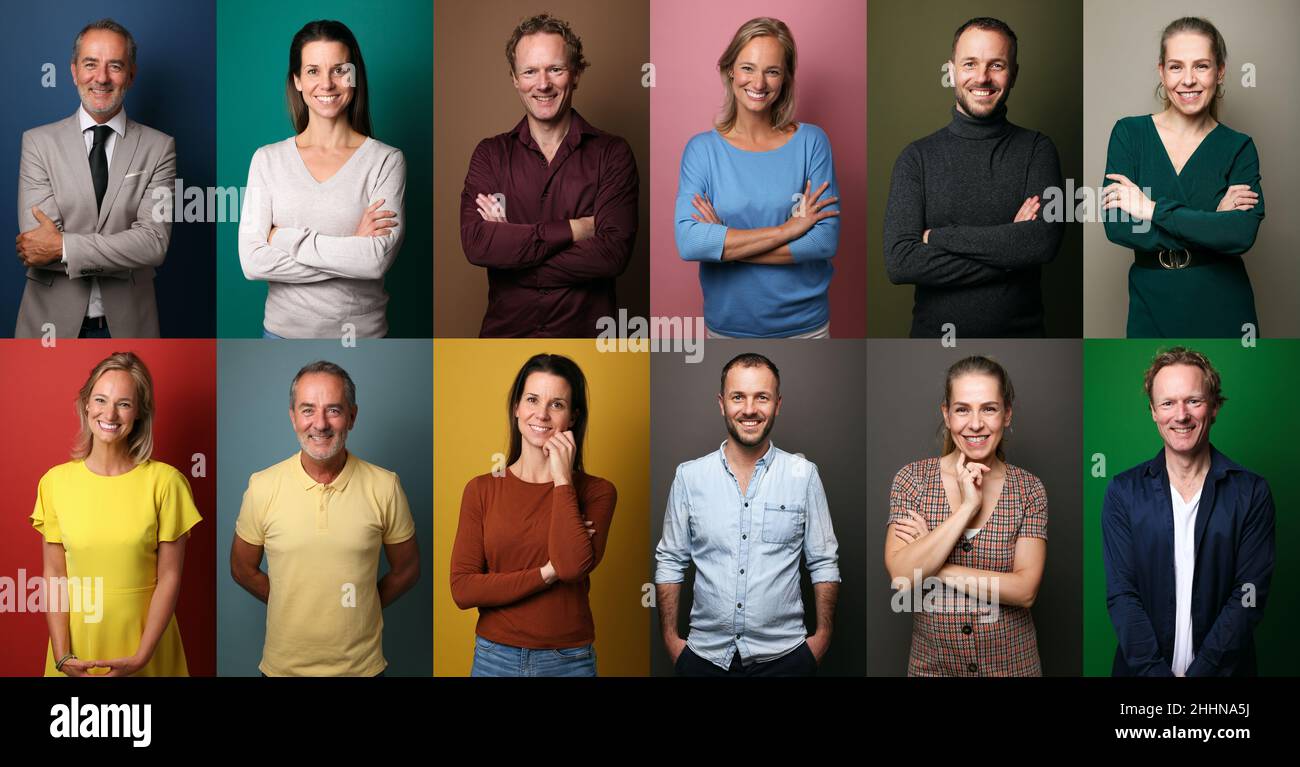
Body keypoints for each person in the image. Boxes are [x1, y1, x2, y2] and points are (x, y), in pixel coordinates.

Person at [230, 361, 420, 676]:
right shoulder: (262, 486)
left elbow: (408, 569)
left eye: (333, 410)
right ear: (293, 417)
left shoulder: (385, 485)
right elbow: (241, 568)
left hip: (362, 670)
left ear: (352, 417)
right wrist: (289, 603)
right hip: (282, 670)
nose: (320, 424)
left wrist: (364, 604)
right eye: (308, 410)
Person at [655, 353, 839, 676]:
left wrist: (822, 638)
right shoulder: (689, 477)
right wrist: (671, 640)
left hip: (787, 660)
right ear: (722, 403)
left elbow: (824, 561)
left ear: (777, 404)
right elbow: (670, 560)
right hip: (704, 660)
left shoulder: (805, 475)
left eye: (762, 397)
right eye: (738, 397)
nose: (750, 409)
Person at [883, 17, 1064, 338]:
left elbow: (1042, 243)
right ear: (951, 71)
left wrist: (938, 237)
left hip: (1022, 341)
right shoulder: (916, 158)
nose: (982, 77)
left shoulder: (1038, 149)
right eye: (970, 64)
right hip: (934, 342)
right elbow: (901, 263)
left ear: (1013, 74)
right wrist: (1010, 253)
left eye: (996, 65)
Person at [460, 14, 638, 338]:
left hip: (588, 341)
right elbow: (477, 245)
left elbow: (612, 255)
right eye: (530, 71)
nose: (542, 84)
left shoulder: (612, 154)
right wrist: (575, 229)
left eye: (555, 69)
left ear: (576, 73)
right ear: (515, 79)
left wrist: (512, 254)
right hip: (504, 340)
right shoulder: (490, 155)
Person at [1102, 347, 1274, 676]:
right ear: (1153, 411)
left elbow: (1248, 596)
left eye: (1193, 401)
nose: (1181, 415)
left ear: (1214, 406)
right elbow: (1122, 595)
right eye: (1168, 403)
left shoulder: (1252, 492)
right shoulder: (1123, 492)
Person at [32, 352, 200, 676]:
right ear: (86, 404)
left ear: (139, 413)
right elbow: (54, 575)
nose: (110, 413)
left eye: (123, 403)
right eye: (101, 400)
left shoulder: (167, 483)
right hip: (74, 645)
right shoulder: (54, 483)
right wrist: (62, 655)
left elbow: (169, 577)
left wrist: (142, 656)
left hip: (147, 646)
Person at [449, 353, 616, 676]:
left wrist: (563, 479)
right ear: (516, 407)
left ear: (573, 417)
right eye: (532, 399)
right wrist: (547, 572)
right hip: (494, 658)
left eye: (557, 404)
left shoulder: (597, 492)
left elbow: (571, 567)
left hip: (569, 661)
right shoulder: (481, 489)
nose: (542, 413)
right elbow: (463, 589)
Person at [238, 20, 406, 339]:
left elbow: (374, 262)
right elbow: (252, 262)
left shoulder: (386, 160)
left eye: (339, 70)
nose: (327, 84)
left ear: (355, 77)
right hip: (280, 336)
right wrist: (350, 248)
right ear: (297, 80)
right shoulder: (267, 159)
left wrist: (282, 238)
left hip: (362, 337)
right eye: (313, 71)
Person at [674, 18, 840, 339]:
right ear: (730, 70)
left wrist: (723, 244)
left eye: (772, 71)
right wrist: (787, 230)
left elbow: (823, 241)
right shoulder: (701, 150)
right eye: (748, 68)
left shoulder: (812, 142)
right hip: (728, 327)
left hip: (805, 326)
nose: (759, 83)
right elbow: (690, 242)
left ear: (785, 78)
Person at [884, 355, 1047, 676]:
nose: (975, 424)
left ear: (1007, 414)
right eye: (962, 409)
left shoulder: (1029, 488)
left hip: (1012, 667)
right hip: (934, 667)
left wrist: (933, 566)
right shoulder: (912, 480)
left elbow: (1025, 591)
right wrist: (967, 508)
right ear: (946, 415)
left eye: (989, 409)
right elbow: (902, 577)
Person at [1101, 17, 1263, 338]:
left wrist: (1151, 210)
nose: (1188, 80)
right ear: (1162, 71)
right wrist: (1211, 222)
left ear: (1220, 71)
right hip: (1151, 302)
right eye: (1176, 67)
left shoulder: (1239, 147)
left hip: (1224, 307)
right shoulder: (1129, 134)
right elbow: (1117, 225)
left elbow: (1241, 234)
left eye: (1201, 66)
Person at [15, 19, 176, 339]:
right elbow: (37, 246)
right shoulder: (38, 143)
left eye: (115, 66)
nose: (101, 78)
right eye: (90, 64)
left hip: (131, 328)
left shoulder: (159, 147)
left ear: (131, 74)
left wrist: (63, 246)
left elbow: (153, 244)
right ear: (74, 71)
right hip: (48, 326)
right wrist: (123, 249)